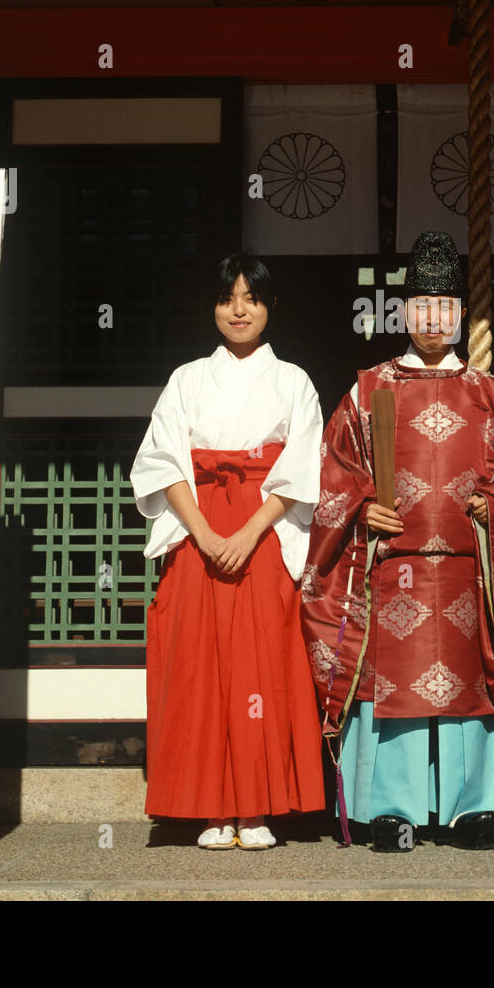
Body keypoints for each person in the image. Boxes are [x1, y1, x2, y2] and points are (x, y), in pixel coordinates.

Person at [301, 232, 494, 852]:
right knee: (394, 686)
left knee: (474, 682)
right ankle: (390, 807)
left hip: (472, 567)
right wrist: (363, 511)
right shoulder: (366, 392)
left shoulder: (491, 396)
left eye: (445, 304)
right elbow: (335, 478)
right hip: (391, 569)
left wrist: (490, 504)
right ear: (402, 310)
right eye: (421, 303)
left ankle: (478, 807)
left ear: (462, 315)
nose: (433, 317)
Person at [130, 254, 325, 849]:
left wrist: (247, 533)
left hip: (263, 529)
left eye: (251, 298)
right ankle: (210, 805)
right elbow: (163, 459)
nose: (239, 311)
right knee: (200, 664)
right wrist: (205, 533)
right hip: (199, 530)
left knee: (261, 663)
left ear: (269, 308)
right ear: (213, 306)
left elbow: (301, 465)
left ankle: (256, 806)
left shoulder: (292, 380)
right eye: (227, 298)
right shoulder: (187, 378)